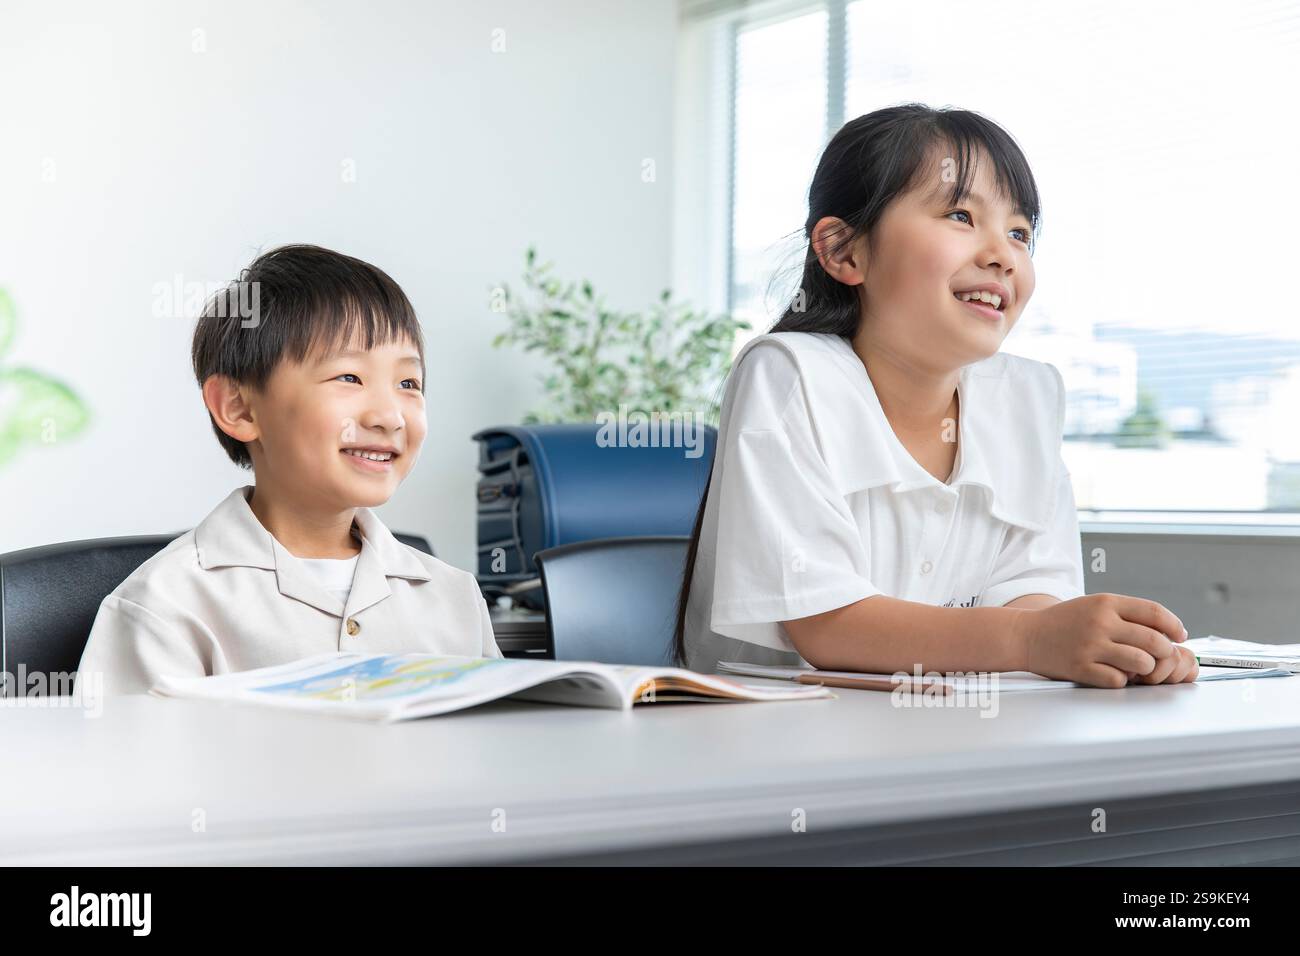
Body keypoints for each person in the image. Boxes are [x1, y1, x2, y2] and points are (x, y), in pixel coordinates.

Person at [674, 104, 1196, 689]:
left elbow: (1030, 595)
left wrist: (1114, 646)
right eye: (959, 214)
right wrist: (1032, 639)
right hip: (765, 747)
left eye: (1019, 232)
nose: (1002, 253)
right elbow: (827, 628)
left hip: (950, 738)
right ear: (845, 251)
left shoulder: (1025, 396)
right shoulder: (789, 376)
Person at [75, 244, 501, 697]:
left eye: (408, 383)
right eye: (349, 377)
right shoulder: (167, 606)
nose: (389, 416)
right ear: (239, 408)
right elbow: (125, 766)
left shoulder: (457, 600)